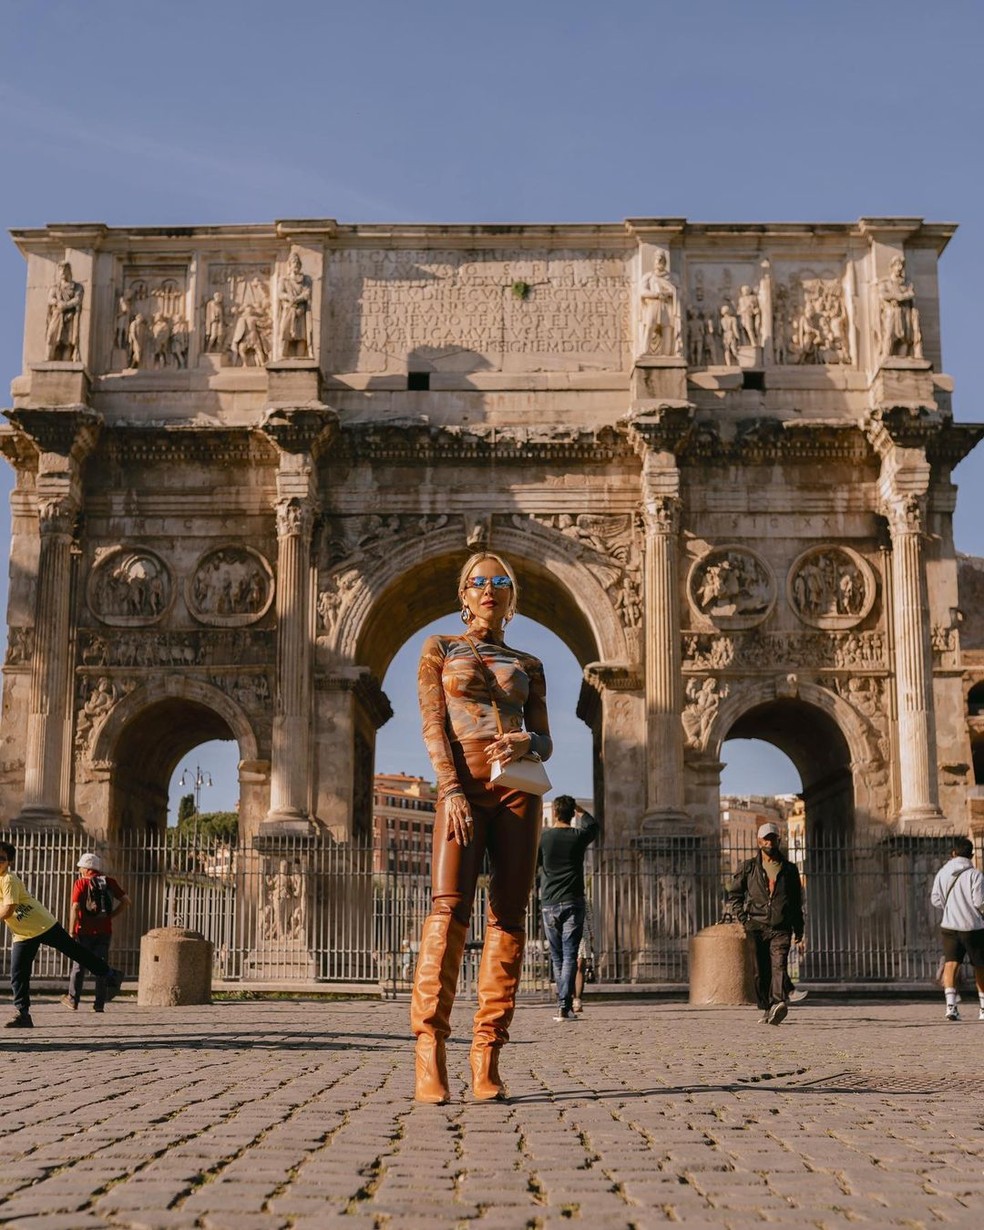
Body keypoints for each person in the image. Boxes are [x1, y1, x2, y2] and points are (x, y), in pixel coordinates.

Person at [411, 552, 552, 1103]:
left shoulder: (531, 663)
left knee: (510, 917)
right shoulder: (439, 648)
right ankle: (429, 1049)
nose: (489, 589)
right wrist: (449, 789)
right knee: (448, 909)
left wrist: (526, 742)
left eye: (500, 582)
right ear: (462, 594)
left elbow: (545, 739)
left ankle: (486, 1054)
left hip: (517, 785)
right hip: (463, 782)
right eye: (479, 582)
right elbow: (431, 723)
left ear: (512, 597)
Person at [0, 841, 123, 1028]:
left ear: (9, 862)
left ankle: (110, 974)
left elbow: (8, 909)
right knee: (18, 973)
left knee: (74, 951)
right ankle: (23, 1014)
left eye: (1, 859)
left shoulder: (8, 879)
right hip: (22, 934)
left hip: (43, 924)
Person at [726, 822, 804, 1026]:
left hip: (781, 927)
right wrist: (744, 919)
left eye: (773, 838)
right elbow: (734, 894)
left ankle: (778, 1003)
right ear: (759, 841)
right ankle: (766, 1006)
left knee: (779, 964)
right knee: (761, 972)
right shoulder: (748, 867)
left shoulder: (790, 870)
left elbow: (796, 902)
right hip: (757, 926)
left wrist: (799, 929)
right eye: (766, 839)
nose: (769, 842)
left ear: (778, 840)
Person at [538, 796, 598, 1021]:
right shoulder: (578, 836)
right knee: (570, 955)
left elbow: (536, 865)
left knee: (557, 956)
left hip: (549, 902)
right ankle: (565, 1006)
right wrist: (581, 810)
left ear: (554, 812)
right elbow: (593, 826)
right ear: (573, 814)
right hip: (573, 900)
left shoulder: (544, 839)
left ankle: (562, 1003)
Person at [63, 852, 130, 1013]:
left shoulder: (80, 883)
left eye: (81, 868)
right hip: (104, 931)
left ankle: (73, 1000)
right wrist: (111, 915)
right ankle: (99, 1003)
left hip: (83, 932)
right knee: (101, 965)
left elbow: (75, 907)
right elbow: (127, 901)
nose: (79, 870)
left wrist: (71, 931)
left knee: (78, 965)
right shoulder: (109, 882)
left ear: (86, 869)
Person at [930, 836, 984, 1022]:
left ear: (953, 853)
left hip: (949, 925)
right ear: (971, 854)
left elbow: (935, 899)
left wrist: (951, 906)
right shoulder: (975, 874)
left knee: (951, 964)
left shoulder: (942, 872)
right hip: (972, 926)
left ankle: (951, 1007)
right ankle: (983, 1008)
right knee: (980, 965)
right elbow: (979, 902)